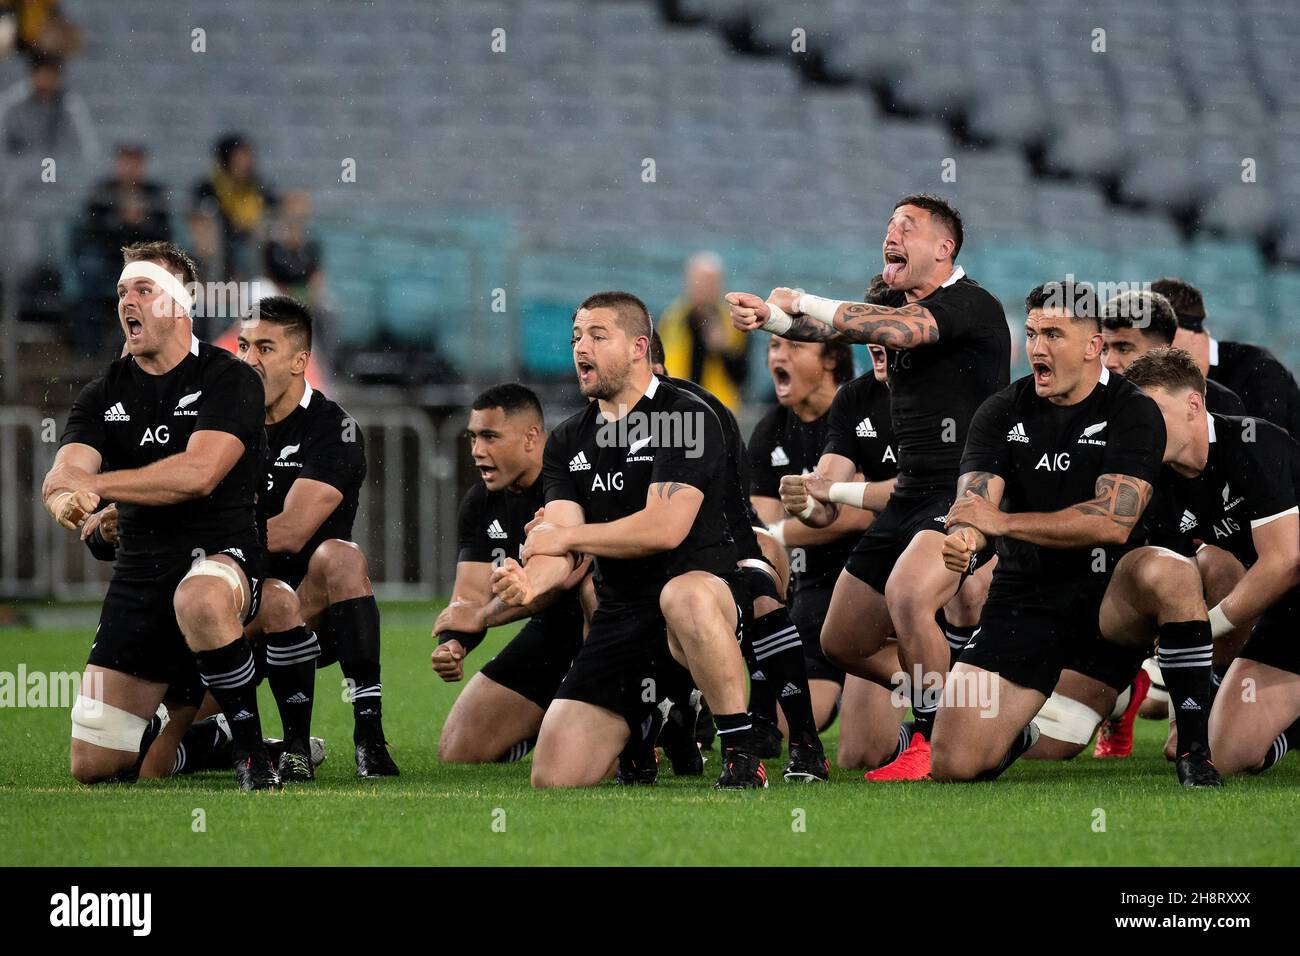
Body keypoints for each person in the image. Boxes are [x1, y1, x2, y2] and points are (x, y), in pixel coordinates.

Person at [727, 194, 1010, 779]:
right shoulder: (893, 329)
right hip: (910, 495)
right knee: (843, 640)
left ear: (944, 247)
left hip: (965, 492)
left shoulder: (971, 304)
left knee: (910, 595)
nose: (892, 233)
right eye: (888, 225)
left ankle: (932, 737)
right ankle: (968, 704)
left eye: (907, 226)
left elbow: (898, 330)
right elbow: (871, 328)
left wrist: (801, 300)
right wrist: (774, 321)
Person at [934, 281, 1217, 787]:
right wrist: (965, 540)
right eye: (1032, 334)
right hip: (1028, 595)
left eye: (1054, 335)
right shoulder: (1000, 410)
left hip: (1113, 597)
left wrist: (1000, 525)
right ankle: (1026, 728)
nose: (1038, 348)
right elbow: (975, 505)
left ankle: (1194, 749)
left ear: (1093, 347)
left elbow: (1114, 521)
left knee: (1171, 572)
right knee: (955, 764)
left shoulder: (1134, 411)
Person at [492, 292, 766, 789]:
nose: (581, 348)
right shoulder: (569, 439)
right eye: (576, 337)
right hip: (623, 613)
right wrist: (529, 584)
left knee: (681, 596)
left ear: (640, 347)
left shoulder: (685, 416)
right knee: (554, 777)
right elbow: (559, 544)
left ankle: (741, 751)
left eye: (598, 336)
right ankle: (656, 709)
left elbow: (664, 529)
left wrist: (565, 536)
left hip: (704, 592)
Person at [40, 241, 280, 790]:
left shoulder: (231, 378)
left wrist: (97, 486)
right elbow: (65, 471)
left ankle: (253, 756)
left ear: (178, 304)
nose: (128, 301)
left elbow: (198, 474)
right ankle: (205, 737)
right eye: (122, 291)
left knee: (197, 596)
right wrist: (65, 500)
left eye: (144, 289)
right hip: (140, 578)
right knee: (94, 765)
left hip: (222, 565)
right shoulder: (104, 392)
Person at [647, 332, 830, 781]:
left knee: (763, 567)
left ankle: (793, 736)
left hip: (719, 547)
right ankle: (662, 722)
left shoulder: (696, 411)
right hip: (641, 562)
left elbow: (741, 511)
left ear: (653, 363)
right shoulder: (592, 427)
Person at [234, 296, 397, 776]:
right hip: (237, 609)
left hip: (310, 614)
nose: (249, 360)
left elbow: (290, 532)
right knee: (146, 752)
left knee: (340, 557)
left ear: (299, 361)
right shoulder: (227, 424)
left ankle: (369, 736)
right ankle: (242, 741)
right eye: (244, 346)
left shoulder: (333, 428)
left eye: (265, 348)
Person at [1125, 348, 1300, 776]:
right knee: (1224, 754)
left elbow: (1285, 562)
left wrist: (1207, 627)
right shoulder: (1156, 483)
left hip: (1284, 587)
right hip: (1286, 614)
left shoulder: (1254, 442)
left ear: (1193, 404)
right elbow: (1173, 588)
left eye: (1151, 412)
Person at [433, 384, 589, 764]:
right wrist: (455, 643)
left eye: (490, 437)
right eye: (472, 437)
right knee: (458, 752)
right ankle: (546, 723)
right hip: (552, 632)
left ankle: (671, 715)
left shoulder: (572, 476)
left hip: (603, 628)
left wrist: (482, 616)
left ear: (531, 437)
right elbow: (468, 596)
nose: (476, 451)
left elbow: (563, 581)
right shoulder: (480, 503)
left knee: (587, 764)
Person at [1160, 276, 1300, 437]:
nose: (1155, 348)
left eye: (1163, 335)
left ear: (1192, 332)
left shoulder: (1258, 369)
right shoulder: (1165, 382)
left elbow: (1269, 449)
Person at [1100, 289, 1244, 416]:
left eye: (1123, 349)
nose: (1108, 362)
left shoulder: (1219, 403)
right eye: (1104, 349)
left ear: (1161, 352)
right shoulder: (1088, 402)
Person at [657, 252, 751, 411]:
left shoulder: (735, 322)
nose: (704, 288)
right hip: (677, 409)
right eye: (699, 281)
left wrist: (724, 350)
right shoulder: (671, 319)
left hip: (720, 411)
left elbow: (742, 377)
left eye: (710, 283)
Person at [193, 132, 277, 280]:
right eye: (241, 158)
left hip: (250, 248)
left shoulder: (258, 188)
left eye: (249, 157)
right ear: (227, 161)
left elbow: (275, 211)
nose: (248, 163)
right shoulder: (209, 188)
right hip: (221, 247)